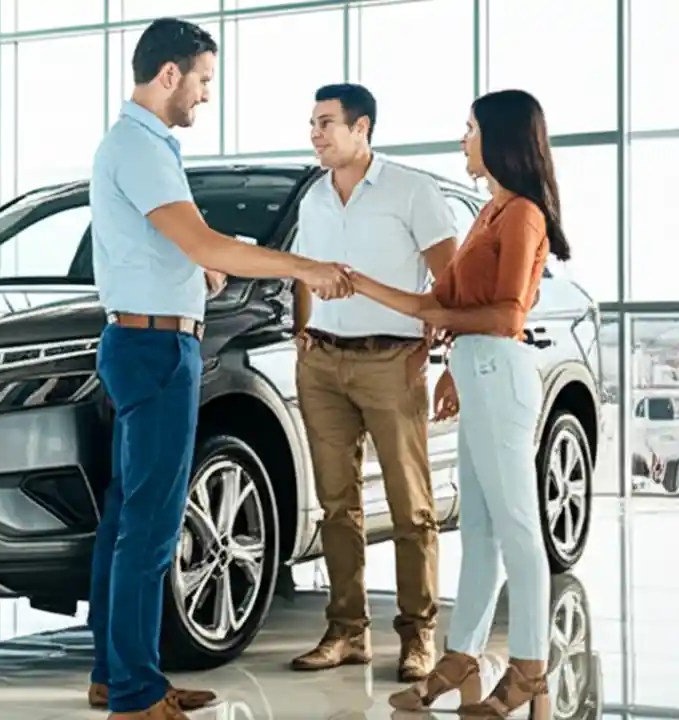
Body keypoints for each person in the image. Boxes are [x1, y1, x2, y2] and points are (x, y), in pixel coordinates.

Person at [86, 17, 352, 720]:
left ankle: (115, 676)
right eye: (203, 79)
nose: (206, 94)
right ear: (168, 75)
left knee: (125, 516)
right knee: (151, 524)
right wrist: (305, 267)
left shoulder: (144, 147)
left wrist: (196, 267)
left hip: (145, 340)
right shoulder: (139, 148)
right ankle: (137, 695)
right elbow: (201, 239)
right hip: (154, 350)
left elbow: (176, 244)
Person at [349, 88, 568, 717]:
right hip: (478, 371)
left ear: (499, 138)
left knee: (519, 530)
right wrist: (358, 282)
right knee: (478, 532)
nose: (462, 139)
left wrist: (446, 329)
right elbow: (432, 304)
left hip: (501, 370)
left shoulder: (524, 213)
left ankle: (529, 667)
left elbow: (504, 315)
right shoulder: (490, 212)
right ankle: (463, 655)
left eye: (470, 128)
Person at [289, 83, 459, 682]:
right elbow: (303, 274)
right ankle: (346, 632)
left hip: (392, 363)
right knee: (337, 506)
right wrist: (301, 332)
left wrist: (439, 350)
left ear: (362, 129)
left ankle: (419, 637)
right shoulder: (313, 198)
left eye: (326, 122)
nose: (315, 133)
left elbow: (452, 282)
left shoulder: (413, 190)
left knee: (411, 507)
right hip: (323, 365)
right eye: (312, 123)